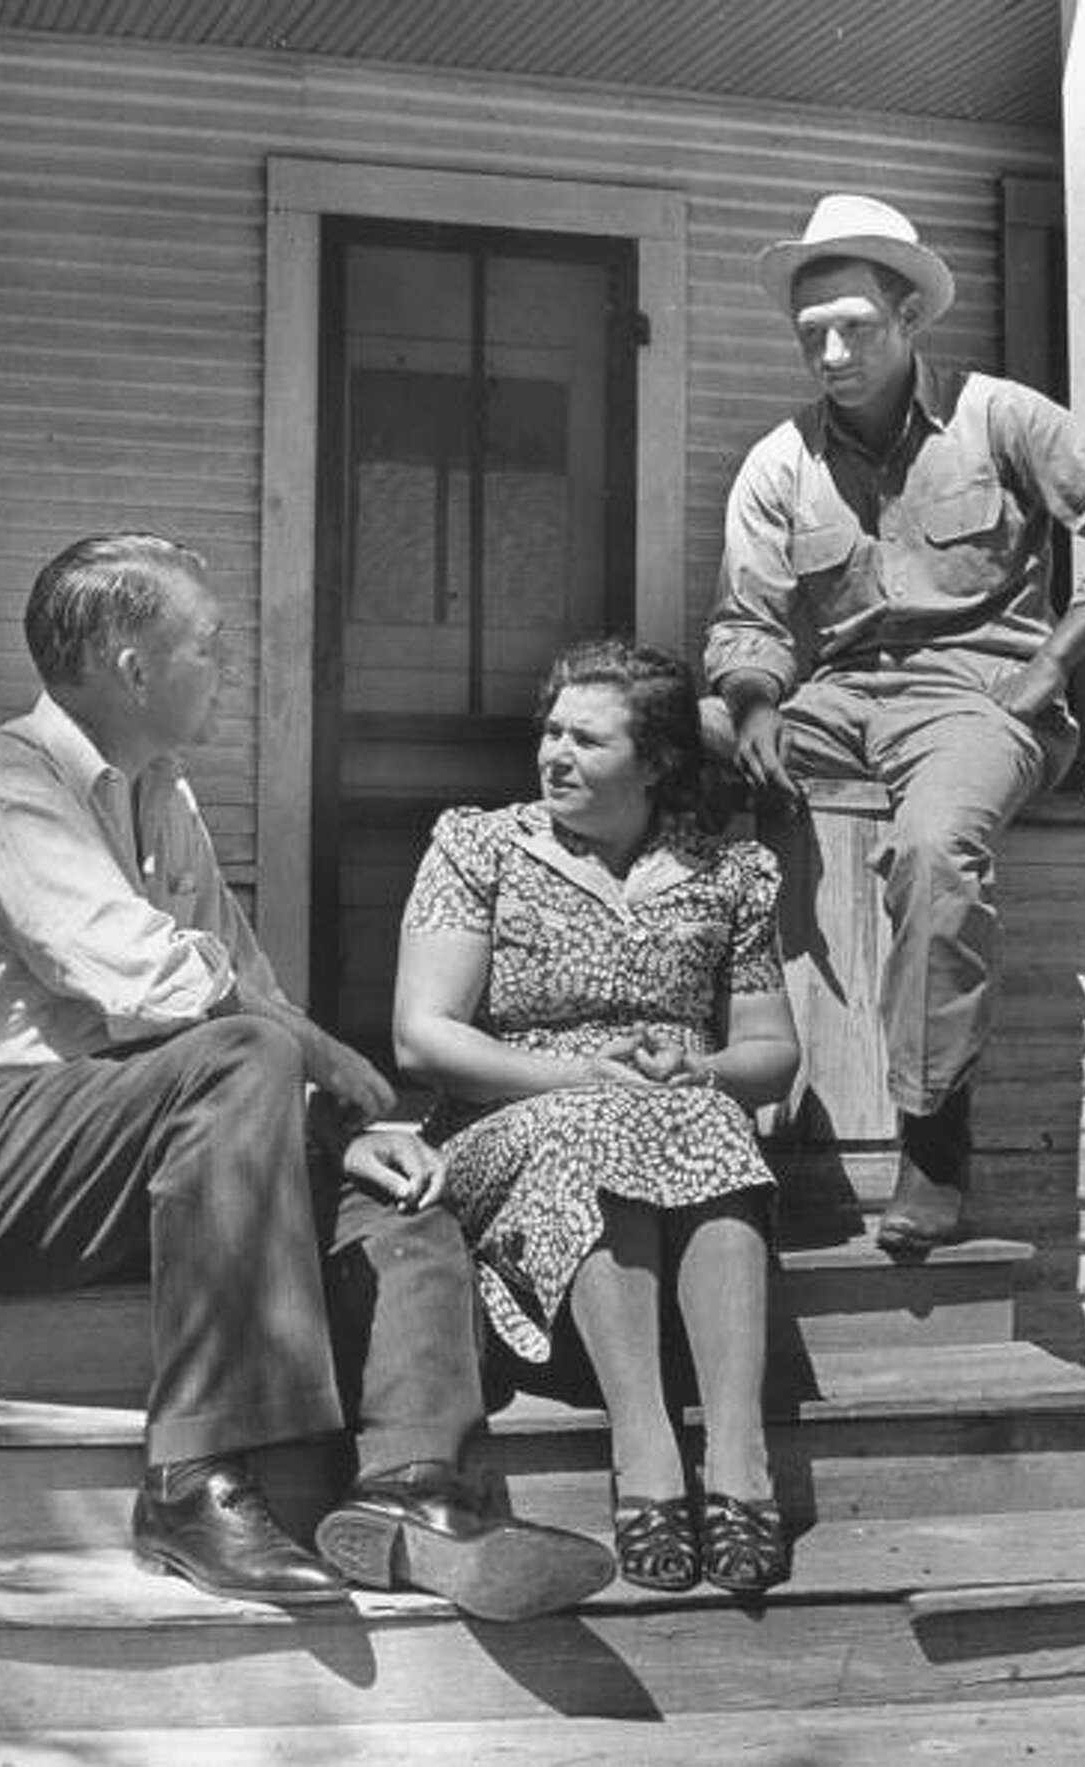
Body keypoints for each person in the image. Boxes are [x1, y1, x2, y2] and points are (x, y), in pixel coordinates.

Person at [0, 531, 614, 1624]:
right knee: (249, 1052)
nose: (234, 664)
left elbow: (241, 981)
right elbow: (159, 986)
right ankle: (194, 1483)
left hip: (113, 1153)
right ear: (131, 665)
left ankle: (417, 1490)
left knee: (394, 1188)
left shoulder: (166, 797)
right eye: (212, 645)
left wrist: (339, 1128)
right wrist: (330, 1063)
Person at [704, 192, 1085, 1255]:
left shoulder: (998, 416)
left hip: (978, 692)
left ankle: (932, 1142)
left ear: (909, 319)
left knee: (932, 849)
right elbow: (747, 618)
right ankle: (707, 1085)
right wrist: (749, 704)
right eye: (812, 334)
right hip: (836, 695)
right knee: (665, 737)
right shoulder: (778, 461)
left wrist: (1054, 664)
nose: (832, 352)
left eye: (856, 327)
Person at [392, 638, 803, 1595]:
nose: (553, 753)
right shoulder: (480, 847)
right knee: (599, 1123)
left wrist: (696, 1066)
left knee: (710, 1122)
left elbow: (772, 1054)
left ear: (656, 761)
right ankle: (648, 1447)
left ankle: (739, 1458)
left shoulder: (727, 874)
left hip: (668, 1113)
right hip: (507, 1114)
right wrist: (578, 1072)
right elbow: (423, 1038)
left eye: (585, 737)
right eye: (550, 731)